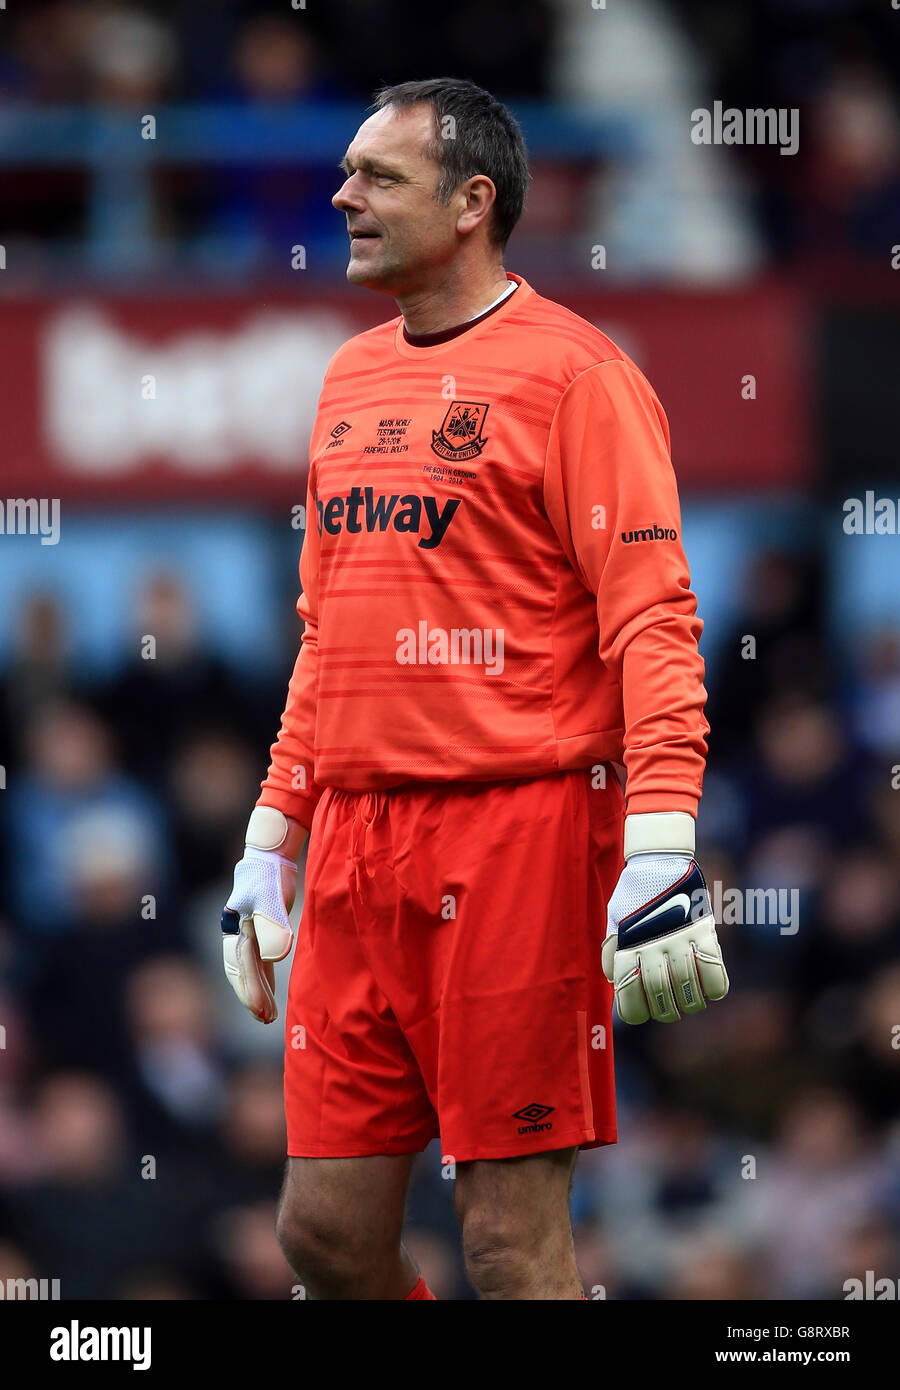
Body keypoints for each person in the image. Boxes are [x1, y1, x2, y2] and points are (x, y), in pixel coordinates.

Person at [221, 77, 728, 1301]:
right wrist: (269, 832)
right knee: (323, 1234)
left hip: (518, 835)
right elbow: (324, 631)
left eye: (378, 178)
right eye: (347, 173)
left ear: (472, 204)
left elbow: (653, 617)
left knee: (506, 1241)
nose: (342, 196)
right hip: (352, 844)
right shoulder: (346, 379)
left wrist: (659, 840)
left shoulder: (579, 377)